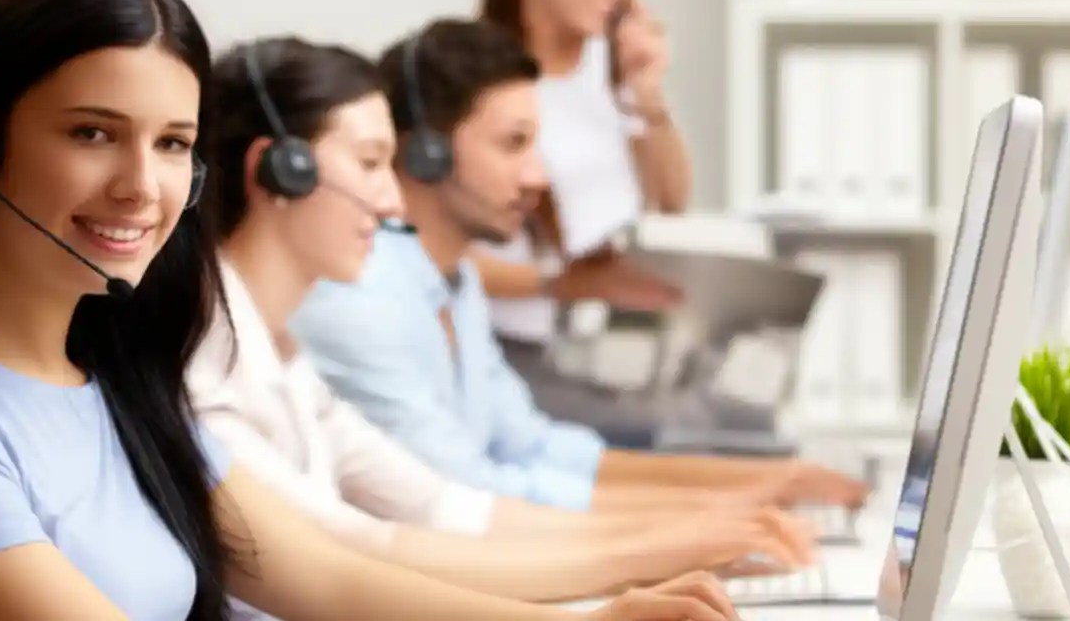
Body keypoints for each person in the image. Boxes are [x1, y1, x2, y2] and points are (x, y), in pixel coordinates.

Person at [0, 0, 739, 621]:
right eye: (94, 133)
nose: (143, 187)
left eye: (174, 143)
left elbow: (325, 577)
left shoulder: (114, 376)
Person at [186, 36, 813, 607]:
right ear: (279, 170)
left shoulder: (281, 348)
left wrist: (678, 539)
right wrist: (646, 561)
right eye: (371, 163)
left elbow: (441, 508)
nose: (392, 200)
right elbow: (353, 552)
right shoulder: (208, 361)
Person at [291, 18, 868, 521]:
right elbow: (466, 493)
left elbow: (536, 446)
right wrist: (714, 510)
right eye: (514, 144)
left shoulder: (455, 282)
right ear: (425, 153)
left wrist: (756, 485)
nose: (539, 176)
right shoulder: (360, 299)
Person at [473, 0, 698, 438]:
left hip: (616, 349)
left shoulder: (610, 65)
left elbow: (672, 200)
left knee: (733, 424)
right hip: (522, 351)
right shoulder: (480, 79)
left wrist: (646, 96)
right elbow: (441, 256)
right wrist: (568, 285)